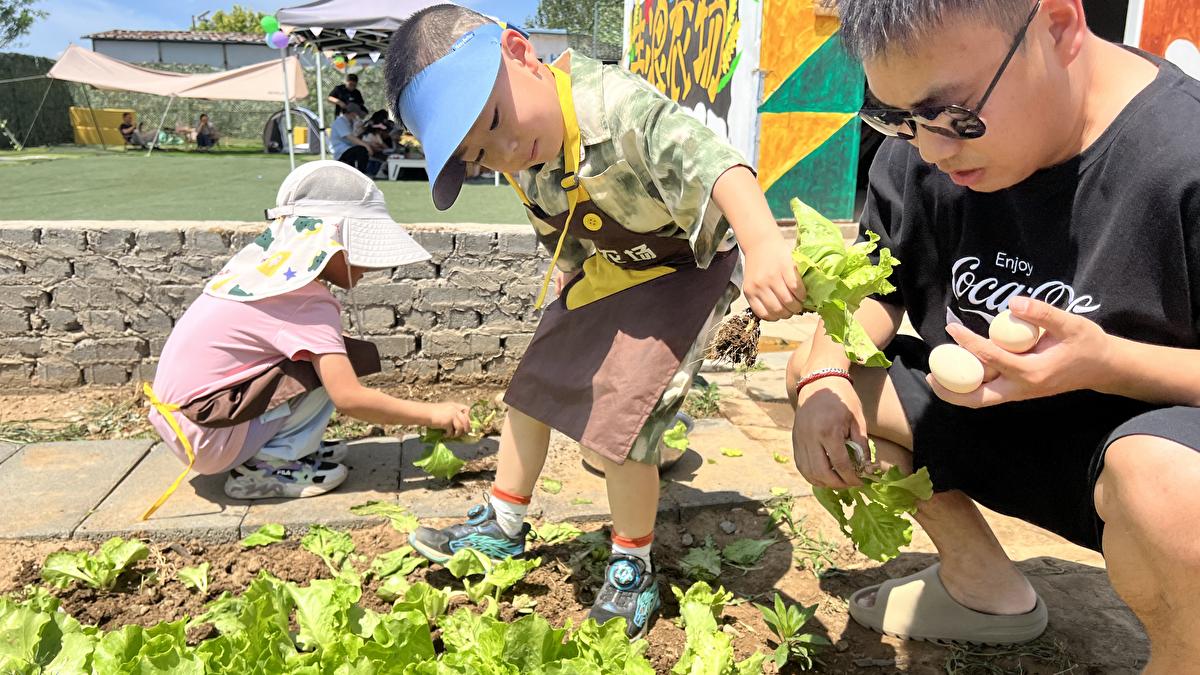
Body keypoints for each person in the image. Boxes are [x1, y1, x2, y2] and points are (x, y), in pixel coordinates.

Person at [786, 0, 1200, 669]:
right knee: (828, 378)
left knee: (1170, 482)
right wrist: (821, 375)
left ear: (1060, 28)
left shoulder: (1182, 156)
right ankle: (980, 585)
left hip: (1146, 464)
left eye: (954, 115)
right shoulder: (924, 153)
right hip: (999, 424)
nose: (932, 147)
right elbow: (876, 290)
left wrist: (1105, 361)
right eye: (897, 117)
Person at [385, 5, 805, 640]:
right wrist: (565, 278)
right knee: (531, 388)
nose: (504, 152)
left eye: (496, 122)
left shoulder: (617, 105)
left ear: (521, 54)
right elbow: (560, 227)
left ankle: (633, 565)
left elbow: (717, 162)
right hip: (609, 267)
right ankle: (502, 524)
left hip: (681, 267)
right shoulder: (523, 159)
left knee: (622, 424)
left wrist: (765, 243)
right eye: (480, 155)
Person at [143, 160, 471, 516]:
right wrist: (434, 414)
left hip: (184, 425)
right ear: (329, 245)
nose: (371, 267)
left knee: (330, 357)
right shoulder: (307, 301)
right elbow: (349, 398)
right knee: (328, 371)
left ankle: (284, 445)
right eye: (361, 252)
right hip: (209, 440)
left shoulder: (257, 275)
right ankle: (268, 466)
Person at [330, 103, 374, 175]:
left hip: (348, 148)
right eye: (357, 113)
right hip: (341, 150)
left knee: (362, 148)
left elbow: (355, 136)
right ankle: (362, 173)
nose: (358, 116)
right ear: (352, 113)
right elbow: (350, 137)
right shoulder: (340, 122)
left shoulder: (351, 122)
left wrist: (361, 130)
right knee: (361, 149)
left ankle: (362, 171)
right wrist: (367, 146)